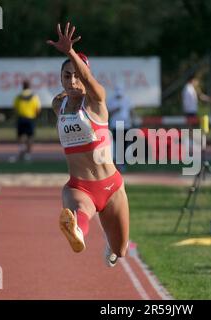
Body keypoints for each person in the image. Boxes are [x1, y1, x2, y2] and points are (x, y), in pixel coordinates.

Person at [47, 22, 129, 267]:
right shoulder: (57, 104)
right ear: (61, 78)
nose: (72, 81)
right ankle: (77, 232)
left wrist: (70, 52)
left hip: (112, 186)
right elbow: (65, 93)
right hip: (80, 186)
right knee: (80, 216)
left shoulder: (97, 102)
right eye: (66, 76)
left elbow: (88, 81)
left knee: (121, 251)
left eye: (77, 75)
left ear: (85, 76)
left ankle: (110, 246)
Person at [10, 79, 41, 162]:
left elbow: (15, 108)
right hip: (30, 118)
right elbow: (37, 109)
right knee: (30, 137)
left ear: (23, 86)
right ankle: (28, 154)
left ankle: (21, 152)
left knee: (20, 136)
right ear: (29, 86)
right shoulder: (34, 96)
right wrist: (36, 116)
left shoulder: (19, 96)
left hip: (21, 118)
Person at [107, 84, 134, 172]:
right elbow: (108, 113)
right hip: (116, 125)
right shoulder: (111, 100)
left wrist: (132, 121)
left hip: (126, 124)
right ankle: (119, 163)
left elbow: (131, 111)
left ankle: (122, 163)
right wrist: (115, 110)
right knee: (118, 144)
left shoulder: (127, 99)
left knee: (125, 144)